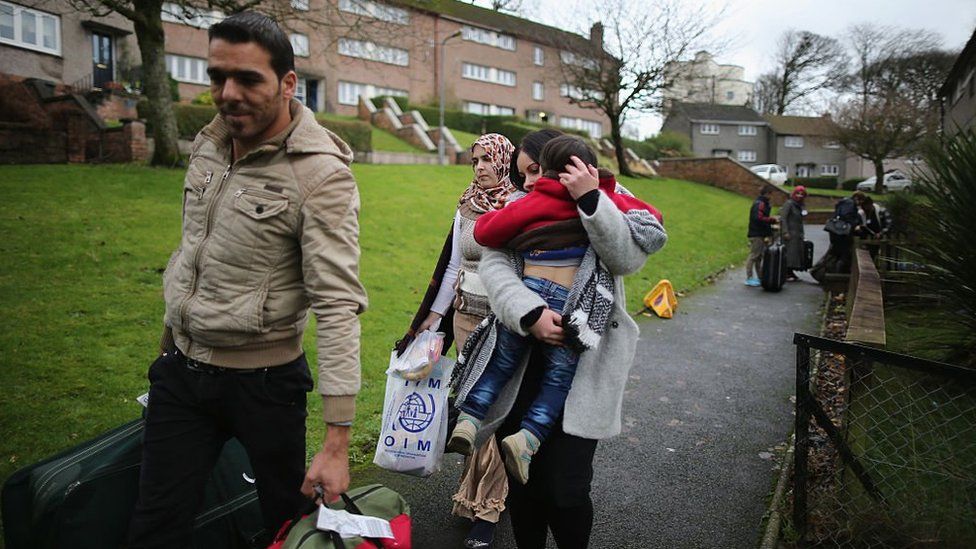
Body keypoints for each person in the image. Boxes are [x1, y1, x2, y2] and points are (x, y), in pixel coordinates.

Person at [127, 12, 367, 547]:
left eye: (248, 79)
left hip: (265, 385)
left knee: (285, 528)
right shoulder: (208, 145)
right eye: (217, 77)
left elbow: (336, 303)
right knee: (153, 526)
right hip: (182, 375)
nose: (227, 94)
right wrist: (170, 342)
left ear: (287, 83)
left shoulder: (321, 175)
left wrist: (336, 441)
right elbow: (193, 249)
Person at [455, 144, 666, 549]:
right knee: (523, 485)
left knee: (567, 488)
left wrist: (590, 198)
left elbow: (624, 258)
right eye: (522, 174)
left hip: (581, 361)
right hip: (519, 362)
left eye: (536, 170)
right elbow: (492, 261)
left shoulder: (606, 197)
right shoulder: (520, 204)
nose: (530, 181)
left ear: (562, 168)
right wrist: (529, 313)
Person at [398, 132, 517, 549]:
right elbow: (451, 268)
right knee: (470, 414)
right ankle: (472, 499)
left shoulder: (518, 204)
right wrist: (430, 324)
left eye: (488, 159)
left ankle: (488, 509)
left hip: (502, 325)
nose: (481, 166)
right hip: (466, 318)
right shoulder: (465, 204)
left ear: (505, 161)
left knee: (491, 417)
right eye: (475, 160)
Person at [745, 185, 778, 287]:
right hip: (757, 234)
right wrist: (772, 220)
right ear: (767, 194)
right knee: (754, 256)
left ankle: (760, 277)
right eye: (771, 194)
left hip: (758, 233)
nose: (771, 197)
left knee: (758, 257)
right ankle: (749, 277)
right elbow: (759, 218)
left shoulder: (761, 203)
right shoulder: (760, 204)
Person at [780, 185, 807, 281]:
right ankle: (786, 272)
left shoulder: (799, 206)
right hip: (790, 233)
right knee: (789, 253)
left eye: (802, 194)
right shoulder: (789, 204)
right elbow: (783, 218)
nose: (800, 196)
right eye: (798, 193)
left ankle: (790, 271)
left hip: (797, 233)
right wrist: (785, 232)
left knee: (795, 254)